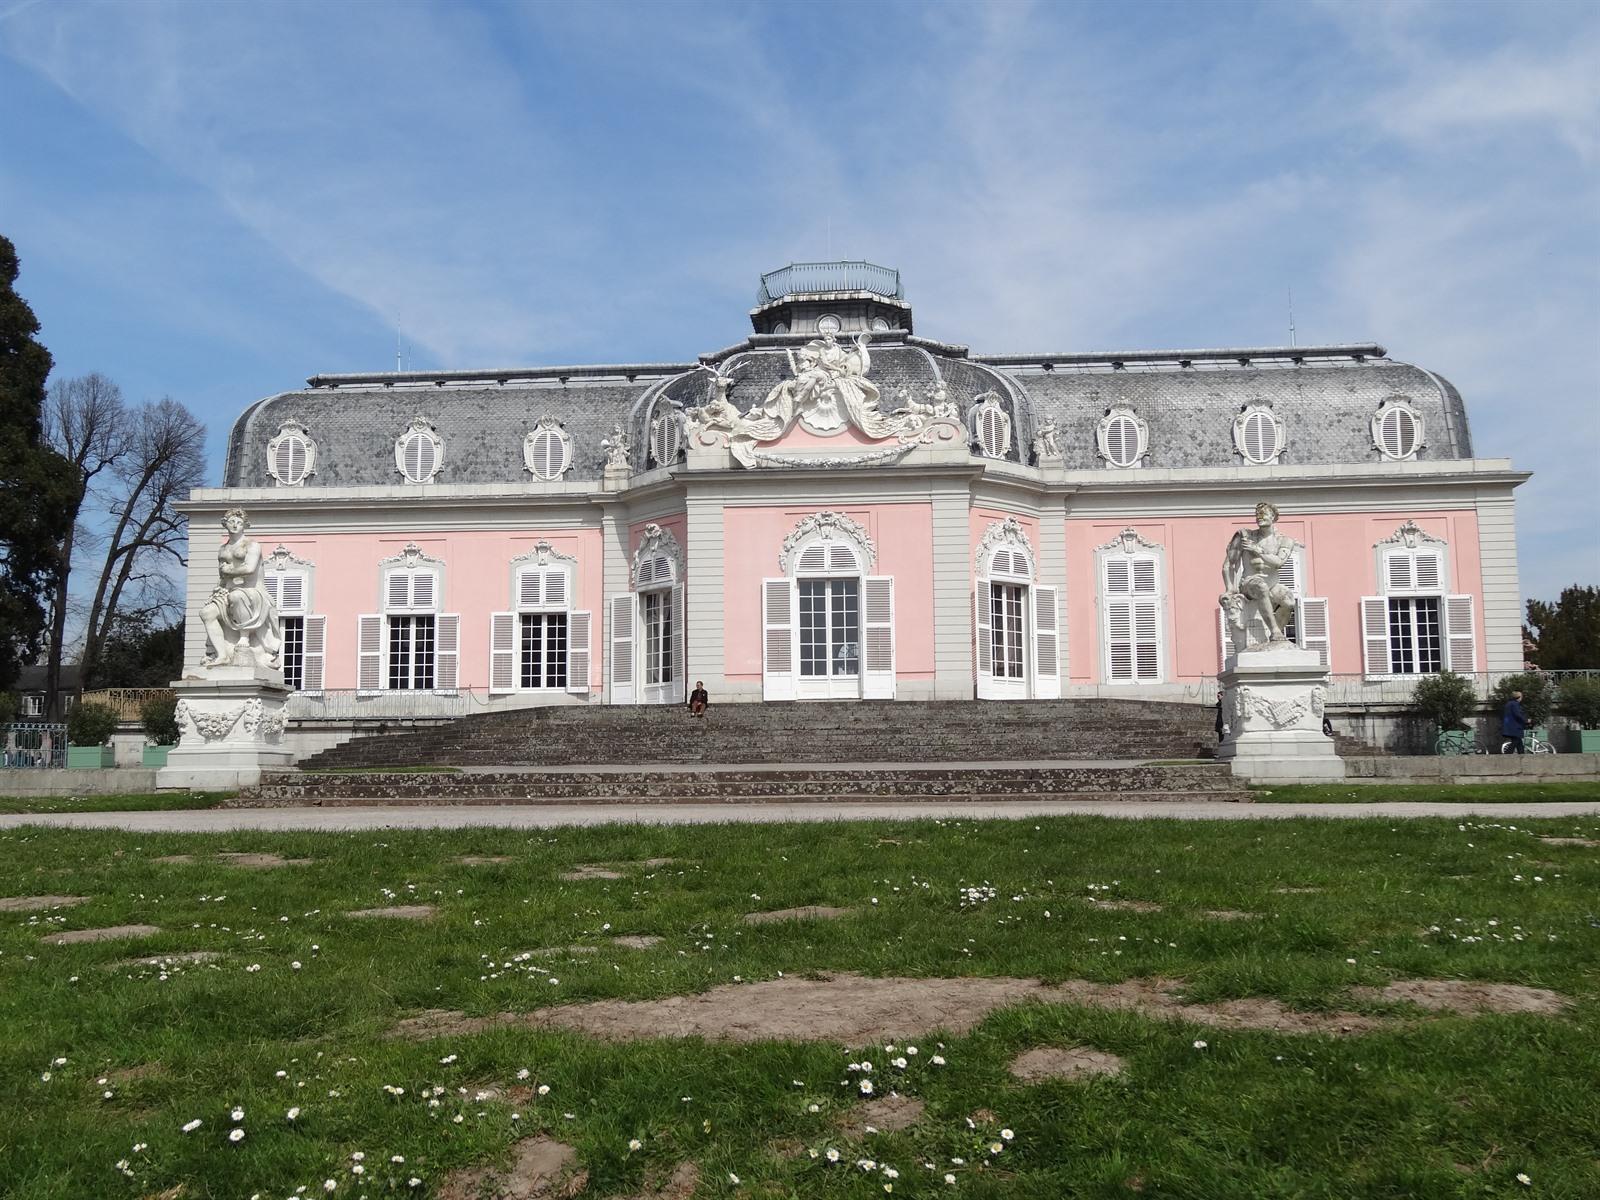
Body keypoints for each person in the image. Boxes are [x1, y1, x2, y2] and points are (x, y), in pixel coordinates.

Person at [1501, 689, 1528, 754]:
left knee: (1519, 743)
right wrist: (1526, 720)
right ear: (1519, 697)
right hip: (1515, 727)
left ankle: (1522, 756)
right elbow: (1518, 715)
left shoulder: (1509, 704)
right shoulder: (1515, 704)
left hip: (1510, 727)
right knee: (1516, 741)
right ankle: (1507, 755)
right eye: (1521, 696)